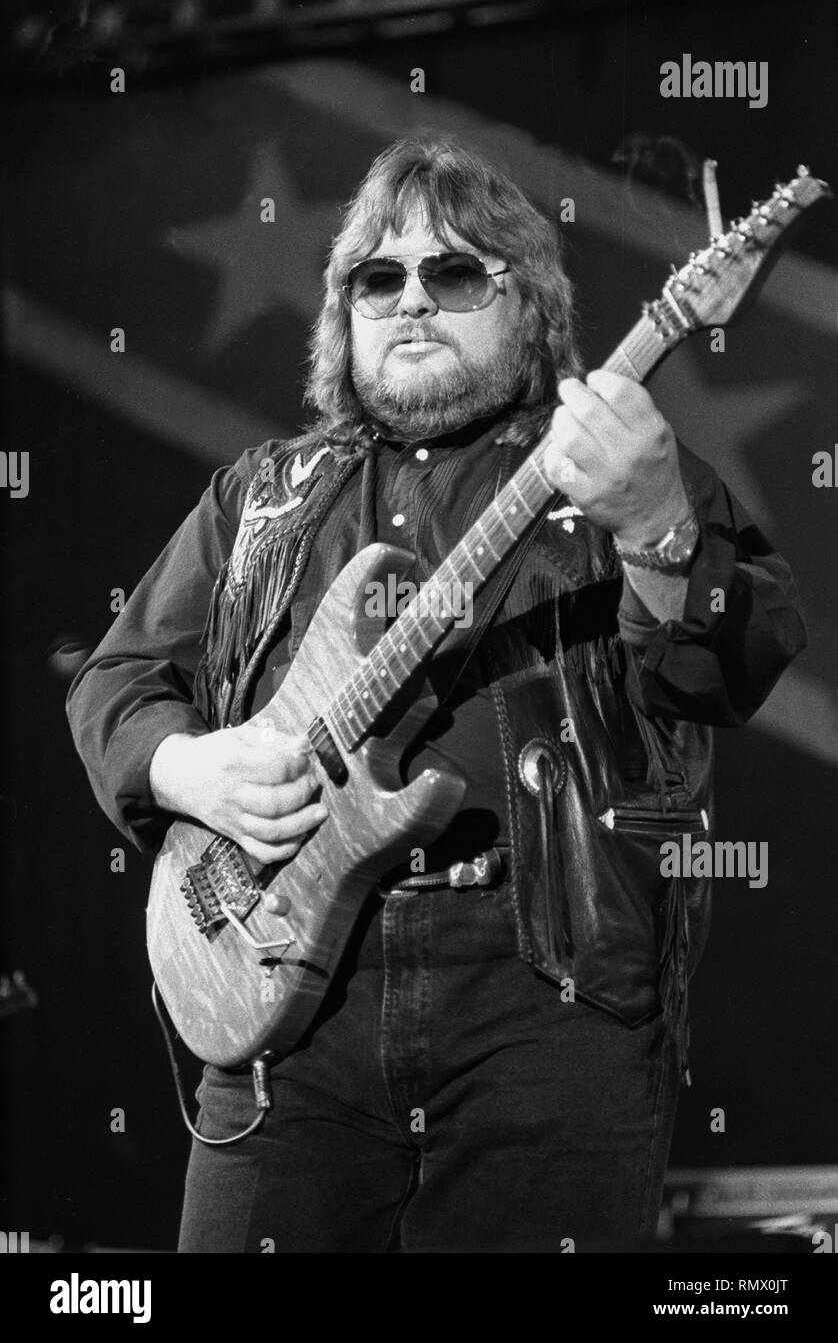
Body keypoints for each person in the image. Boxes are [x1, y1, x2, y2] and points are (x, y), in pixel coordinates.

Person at [66, 137, 806, 1253]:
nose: (411, 299)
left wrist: (654, 519)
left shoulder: (608, 464)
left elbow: (725, 665)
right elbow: (119, 680)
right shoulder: (261, 498)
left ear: (531, 305)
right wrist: (185, 765)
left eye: (455, 273)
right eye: (378, 276)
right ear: (343, 311)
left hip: (546, 1001)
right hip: (280, 996)